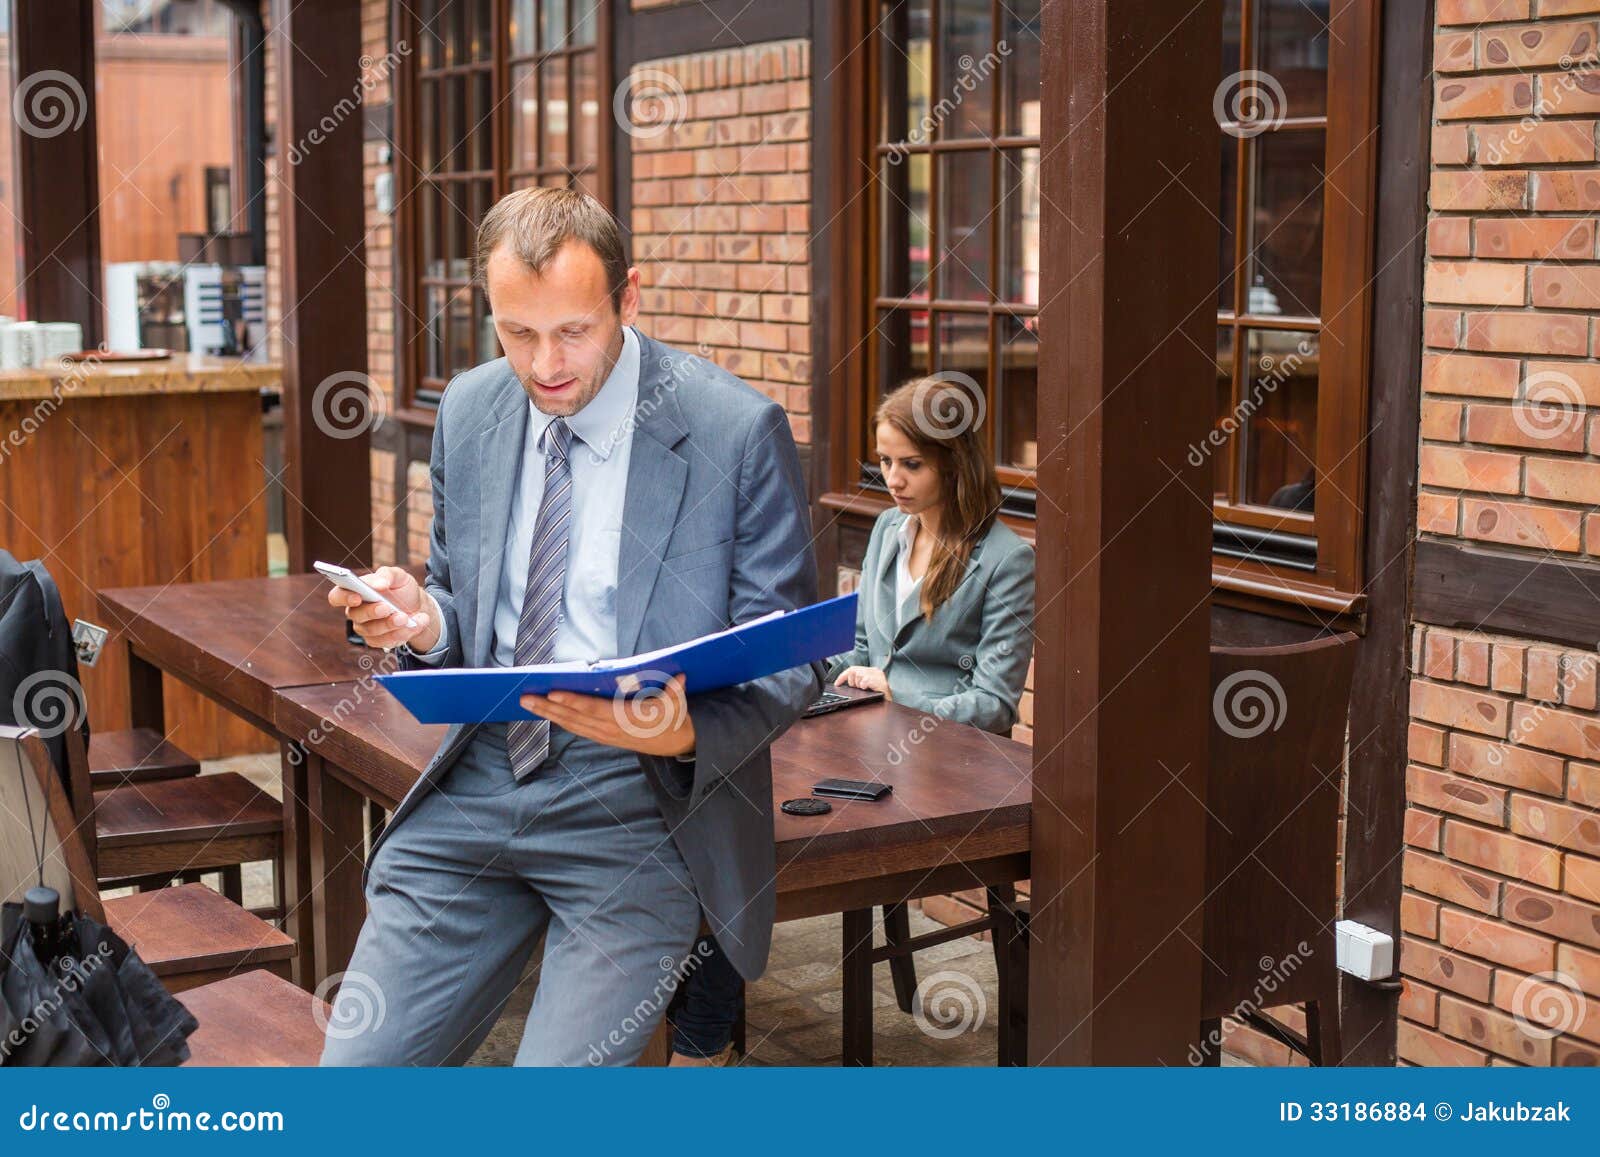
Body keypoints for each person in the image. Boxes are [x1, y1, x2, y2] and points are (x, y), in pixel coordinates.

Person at [319, 188, 822, 1067]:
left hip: (637, 804)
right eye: (517, 332)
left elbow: (792, 656)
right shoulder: (470, 408)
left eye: (573, 332)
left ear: (629, 297)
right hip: (479, 778)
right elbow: (462, 600)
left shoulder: (734, 431)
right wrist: (423, 619)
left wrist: (683, 730)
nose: (544, 363)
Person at [666, 376, 1035, 1065]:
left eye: (911, 464)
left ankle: (701, 1036)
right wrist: (782, 661)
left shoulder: (1007, 560)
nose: (892, 479)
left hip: (948, 773)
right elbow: (859, 650)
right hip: (859, 743)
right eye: (885, 461)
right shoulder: (891, 530)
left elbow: (993, 702)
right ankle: (693, 1028)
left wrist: (895, 691)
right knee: (718, 818)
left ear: (955, 462)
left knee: (745, 842)